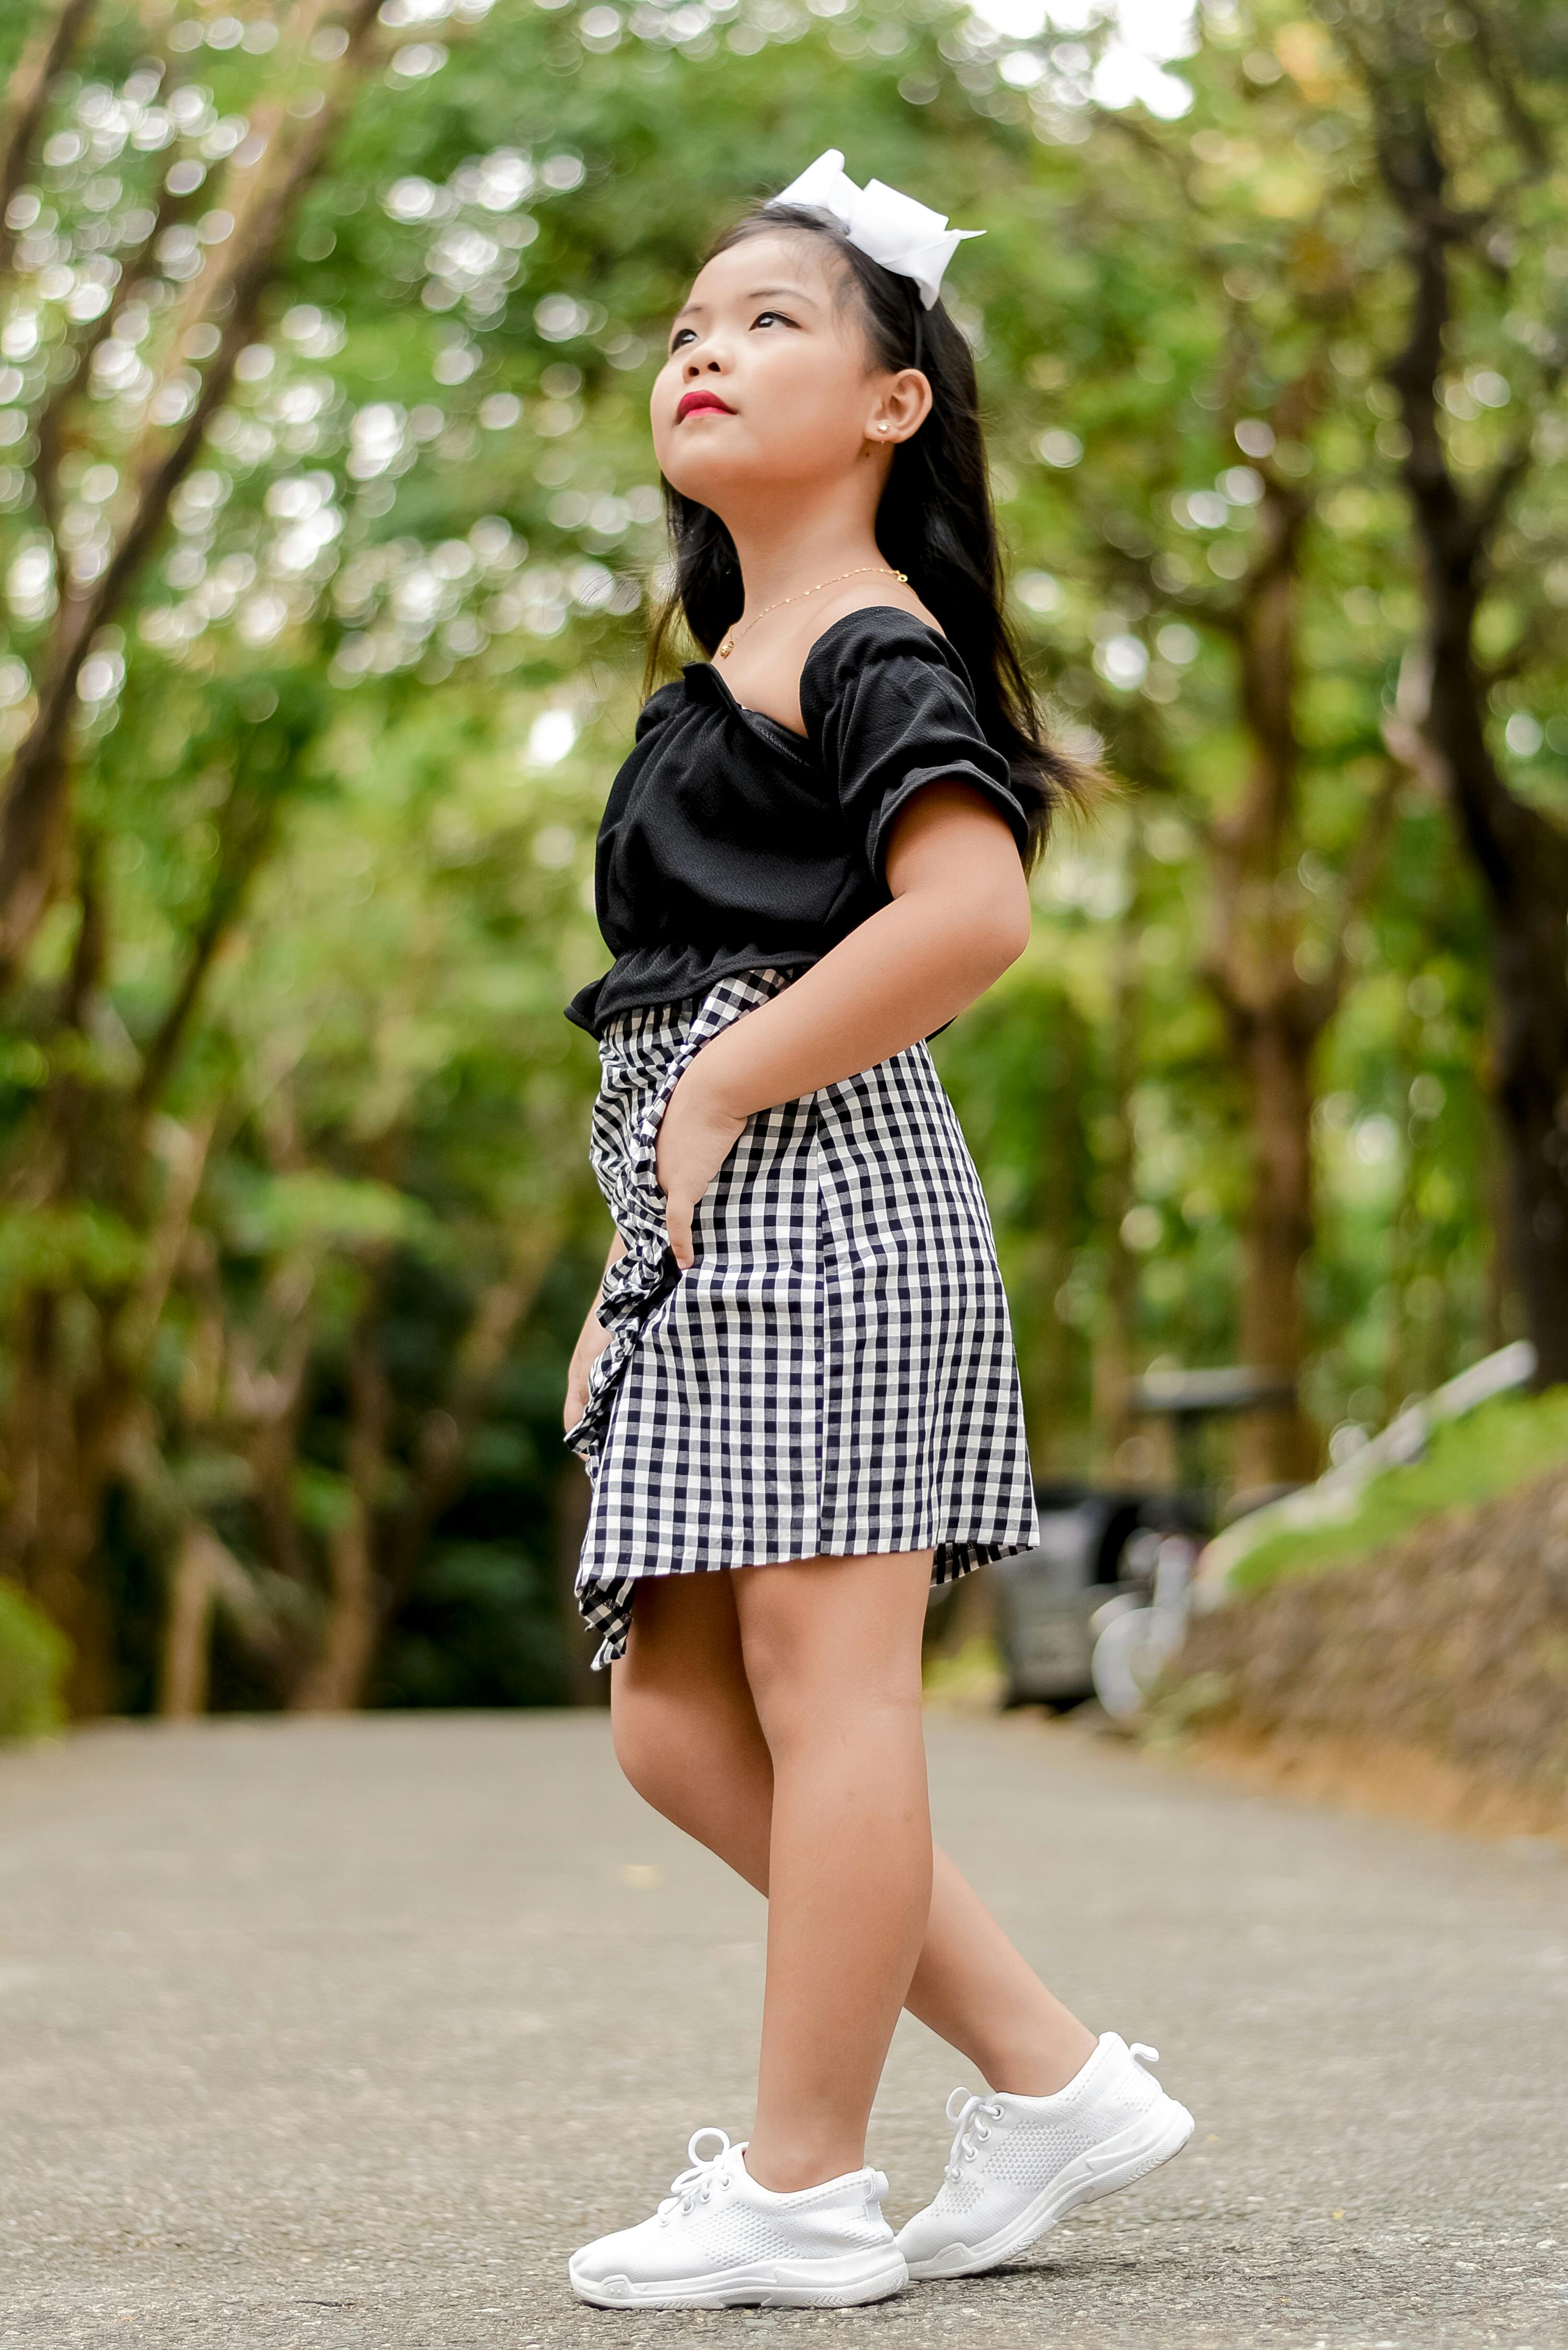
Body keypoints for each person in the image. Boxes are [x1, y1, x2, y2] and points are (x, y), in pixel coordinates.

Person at [558, 149, 1193, 2312]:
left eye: (766, 319)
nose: (706, 350)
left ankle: (809, 2182)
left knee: (833, 1696)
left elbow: (973, 906)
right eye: (686, 328)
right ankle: (1046, 2070)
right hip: (733, 1214)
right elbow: (684, 1013)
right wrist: (627, 1266)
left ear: (897, 400)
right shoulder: (733, 650)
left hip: (829, 1188)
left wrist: (732, 1087)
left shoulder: (865, 642)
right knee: (674, 1703)